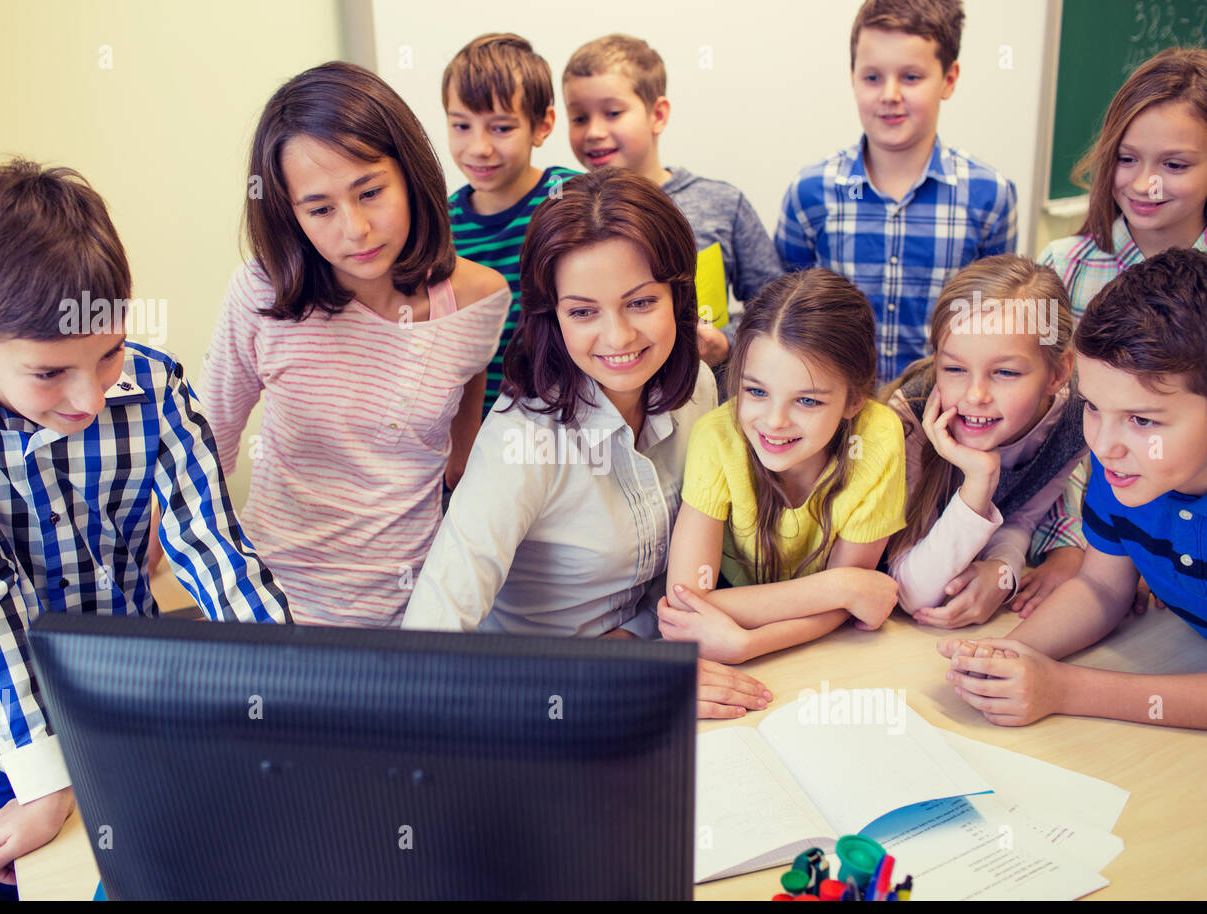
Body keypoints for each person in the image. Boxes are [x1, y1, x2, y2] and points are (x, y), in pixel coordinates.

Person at [0, 159, 291, 886]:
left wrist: (294, 689)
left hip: (122, 701)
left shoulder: (153, 384)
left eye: (109, 350)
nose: (90, 396)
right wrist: (43, 777)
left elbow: (216, 550)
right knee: (43, 888)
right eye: (49, 373)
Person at [402, 169, 770, 720]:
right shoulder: (520, 443)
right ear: (552, 316)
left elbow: (686, 579)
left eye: (642, 302)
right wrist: (620, 677)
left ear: (678, 294)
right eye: (582, 312)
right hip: (533, 711)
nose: (618, 338)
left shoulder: (694, 387)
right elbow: (422, 659)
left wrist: (634, 651)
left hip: (659, 672)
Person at [198, 61, 509, 626]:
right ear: (289, 214)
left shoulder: (479, 300)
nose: (356, 229)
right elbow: (205, 446)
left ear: (411, 175)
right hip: (271, 606)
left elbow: (463, 464)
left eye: (371, 192)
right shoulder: (260, 293)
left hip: (416, 610)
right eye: (320, 209)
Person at [940, 249, 1207, 729]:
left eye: (1142, 420)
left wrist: (1064, 688)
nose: (1103, 446)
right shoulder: (1126, 472)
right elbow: (1102, 586)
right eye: (1092, 407)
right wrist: (1012, 651)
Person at [1024, 47, 1207, 616]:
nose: (1146, 184)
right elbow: (1041, 430)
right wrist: (1073, 546)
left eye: (1175, 165)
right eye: (1128, 159)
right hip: (1077, 546)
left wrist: (1164, 559)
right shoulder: (1064, 267)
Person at [658, 269, 905, 666]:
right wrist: (839, 586)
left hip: (826, 657)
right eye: (756, 391)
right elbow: (687, 607)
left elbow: (847, 607)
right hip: (732, 651)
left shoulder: (876, 438)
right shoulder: (718, 438)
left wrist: (749, 644)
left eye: (806, 401)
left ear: (854, 400)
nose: (774, 422)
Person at [775, 0, 1016, 381]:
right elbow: (784, 320)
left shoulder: (989, 195)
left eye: (911, 77)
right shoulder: (811, 193)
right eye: (872, 77)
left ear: (949, 80)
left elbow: (998, 324)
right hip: (834, 415)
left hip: (941, 413)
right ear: (852, 76)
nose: (889, 94)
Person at [562, 33, 781, 375]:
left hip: (707, 405)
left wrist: (726, 343)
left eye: (612, 112)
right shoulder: (566, 214)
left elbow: (776, 307)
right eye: (579, 118)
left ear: (658, 114)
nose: (593, 131)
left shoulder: (722, 203)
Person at [884, 255, 1085, 628]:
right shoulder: (907, 420)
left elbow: (1022, 513)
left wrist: (1002, 570)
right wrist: (978, 482)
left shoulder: (1077, 419)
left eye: (1005, 372)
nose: (975, 395)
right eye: (955, 368)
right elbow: (911, 593)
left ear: (1058, 373)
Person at [442, 32, 581, 415]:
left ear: (542, 125)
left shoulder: (572, 196)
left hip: (568, 419)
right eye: (461, 126)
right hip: (476, 430)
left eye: (501, 128)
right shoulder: (440, 226)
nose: (478, 148)